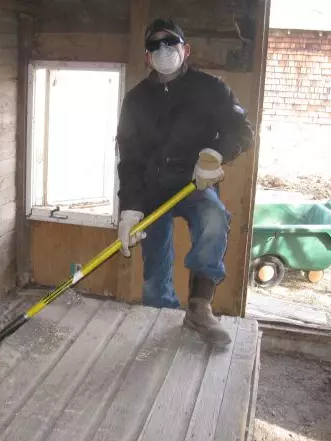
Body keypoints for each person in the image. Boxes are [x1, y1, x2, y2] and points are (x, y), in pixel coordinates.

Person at [115, 18, 254, 346]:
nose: (163, 51)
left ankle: (199, 307)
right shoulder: (135, 101)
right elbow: (131, 160)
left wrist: (216, 155)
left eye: (170, 44)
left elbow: (242, 130)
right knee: (154, 277)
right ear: (147, 57)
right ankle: (159, 318)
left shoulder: (211, 89)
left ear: (185, 49)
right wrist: (130, 210)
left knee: (213, 218)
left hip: (195, 185)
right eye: (155, 46)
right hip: (152, 191)